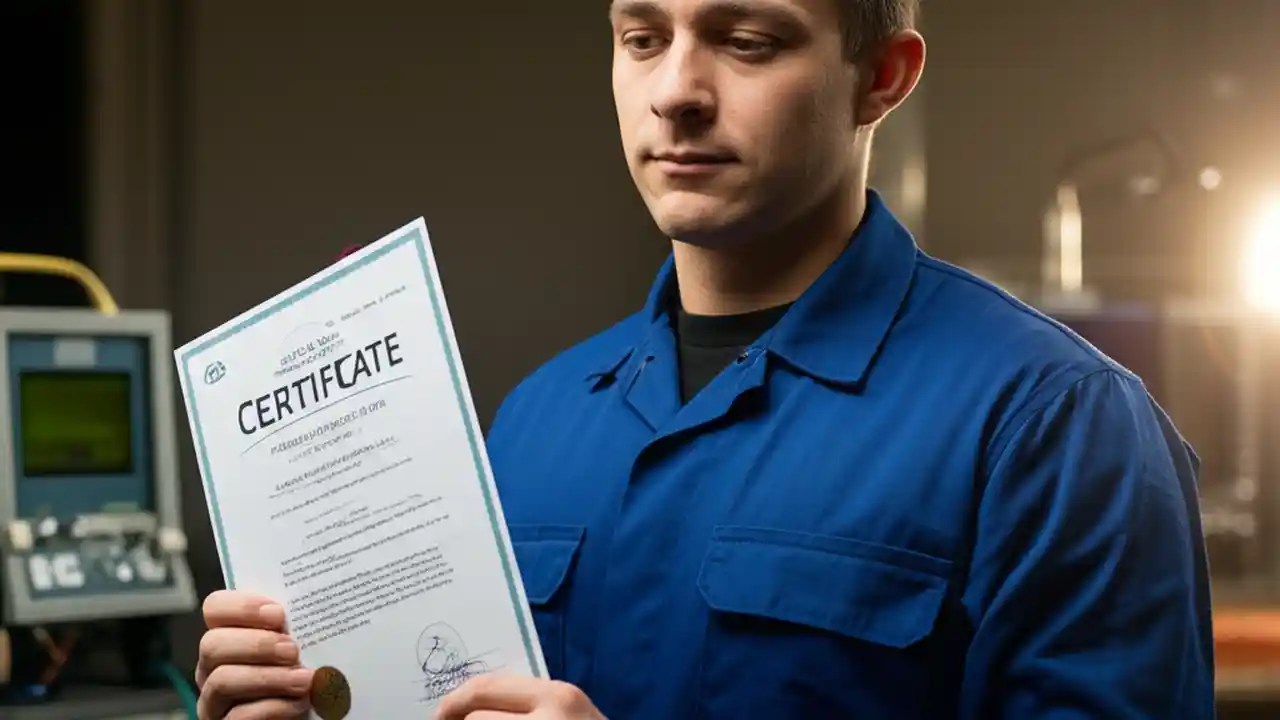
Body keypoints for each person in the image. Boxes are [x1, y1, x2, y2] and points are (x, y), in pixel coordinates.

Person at [193, 0, 1216, 717]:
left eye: (748, 40)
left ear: (882, 77)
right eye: (641, 37)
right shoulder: (535, 423)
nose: (674, 91)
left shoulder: (1053, 428)